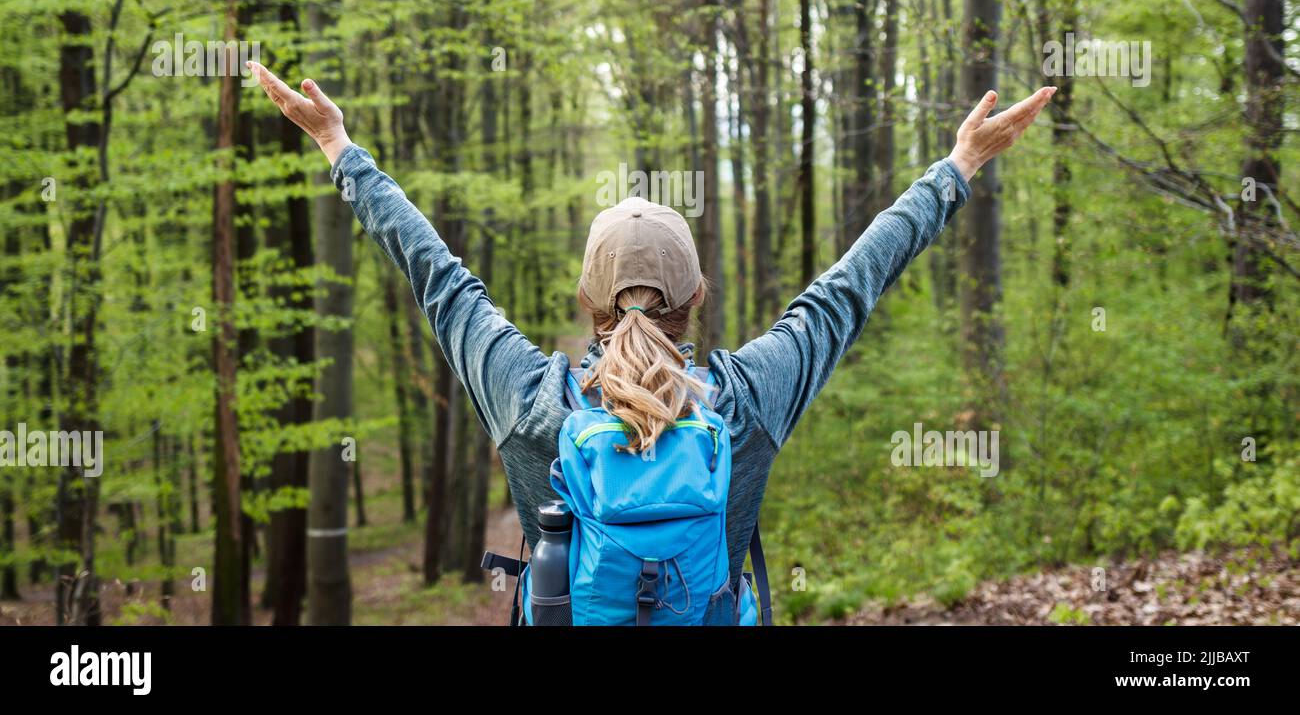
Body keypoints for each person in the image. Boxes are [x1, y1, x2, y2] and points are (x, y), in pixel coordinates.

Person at [252, 61, 1054, 601]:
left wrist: (339, 146)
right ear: (697, 295)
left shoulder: (532, 399)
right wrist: (957, 168)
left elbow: (437, 277)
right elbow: (852, 283)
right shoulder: (743, 399)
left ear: (586, 303)